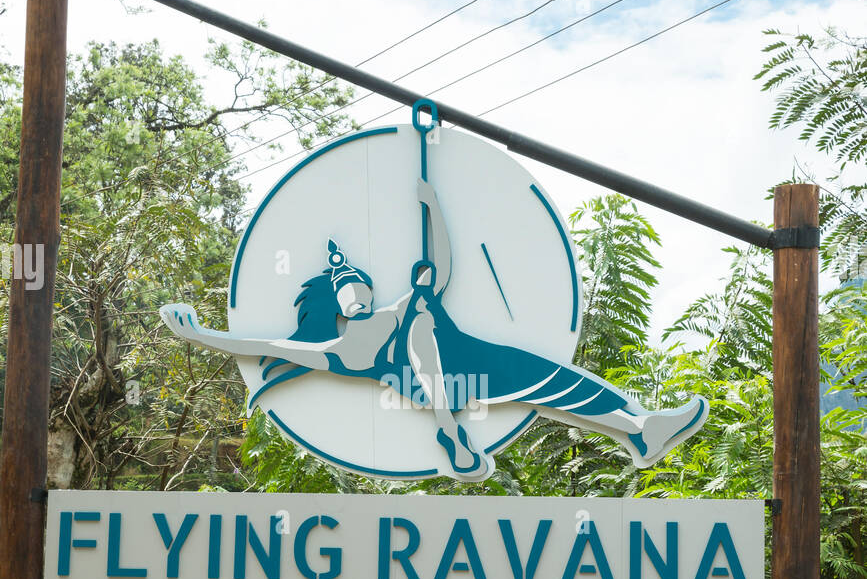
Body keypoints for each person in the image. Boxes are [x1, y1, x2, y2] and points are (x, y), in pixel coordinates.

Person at [161, 179, 707, 478]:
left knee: (559, 386)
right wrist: (198, 335)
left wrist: (434, 206)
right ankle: (451, 434)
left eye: (361, 287)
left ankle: (641, 430)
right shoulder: (335, 353)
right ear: (335, 300)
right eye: (348, 292)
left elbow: (442, 263)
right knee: (422, 324)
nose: (358, 297)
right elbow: (259, 344)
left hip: (477, 364)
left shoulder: (409, 300)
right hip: (431, 388)